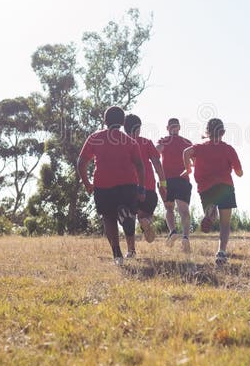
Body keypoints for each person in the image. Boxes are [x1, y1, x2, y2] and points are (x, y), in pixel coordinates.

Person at [77, 106, 145, 265]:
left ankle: (117, 254)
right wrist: (141, 188)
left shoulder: (95, 138)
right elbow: (140, 166)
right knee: (128, 212)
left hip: (103, 185)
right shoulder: (130, 141)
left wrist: (87, 184)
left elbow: (81, 163)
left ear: (105, 120)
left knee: (108, 218)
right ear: (123, 122)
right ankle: (125, 216)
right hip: (128, 185)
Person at [183, 118, 243, 265]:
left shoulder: (199, 147)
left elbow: (186, 152)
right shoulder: (228, 149)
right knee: (225, 223)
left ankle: (210, 213)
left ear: (207, 132)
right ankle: (221, 252)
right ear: (223, 132)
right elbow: (239, 172)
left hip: (206, 188)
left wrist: (188, 168)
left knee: (212, 212)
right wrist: (236, 170)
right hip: (225, 186)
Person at [123, 113, 166, 252]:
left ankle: (131, 250)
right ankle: (146, 221)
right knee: (146, 214)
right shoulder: (146, 142)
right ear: (138, 128)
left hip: (128, 187)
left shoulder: (121, 143)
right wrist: (163, 183)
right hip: (148, 188)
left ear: (125, 128)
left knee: (129, 218)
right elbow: (157, 163)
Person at [156, 117, 193, 253]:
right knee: (184, 211)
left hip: (167, 180)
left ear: (168, 128)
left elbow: (156, 151)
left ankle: (172, 231)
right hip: (183, 180)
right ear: (179, 127)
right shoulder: (187, 142)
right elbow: (195, 159)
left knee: (169, 208)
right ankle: (186, 237)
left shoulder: (164, 140)